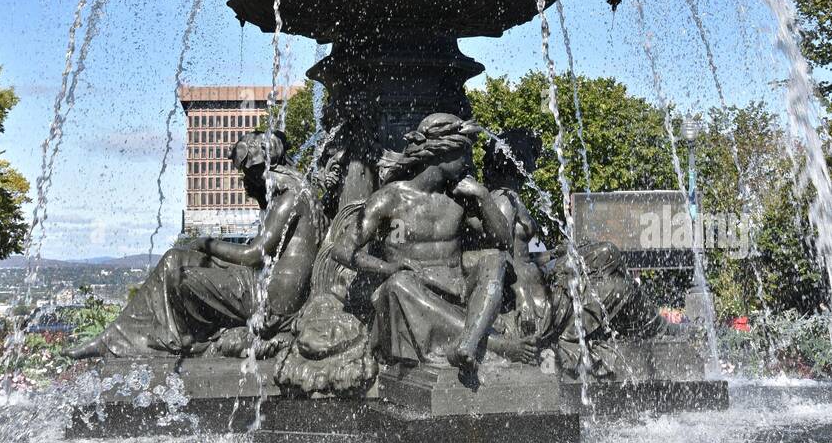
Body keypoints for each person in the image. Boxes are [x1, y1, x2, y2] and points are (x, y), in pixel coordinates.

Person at [68, 131, 324, 360]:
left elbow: (253, 254)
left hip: (270, 301)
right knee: (174, 259)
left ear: (265, 169)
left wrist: (206, 244)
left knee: (182, 279)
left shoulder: (292, 197)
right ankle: (113, 339)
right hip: (260, 281)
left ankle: (183, 342)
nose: (248, 182)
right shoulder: (290, 194)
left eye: (250, 174)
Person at [332, 113, 534, 378]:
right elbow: (342, 250)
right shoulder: (389, 199)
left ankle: (468, 344)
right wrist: (389, 267)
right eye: (465, 155)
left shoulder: (459, 197)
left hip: (454, 287)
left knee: (493, 258)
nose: (470, 163)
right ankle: (495, 345)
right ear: (443, 153)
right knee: (398, 285)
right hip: (409, 288)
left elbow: (501, 242)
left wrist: (484, 197)